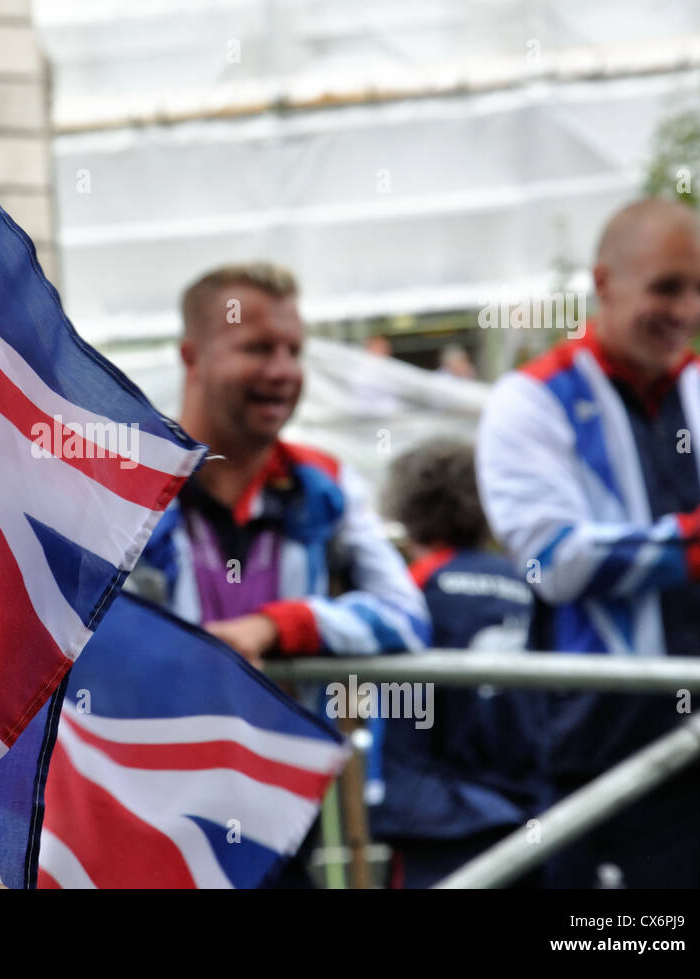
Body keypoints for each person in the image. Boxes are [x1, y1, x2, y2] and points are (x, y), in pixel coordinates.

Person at [129, 263, 429, 886]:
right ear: (192, 356)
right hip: (144, 801)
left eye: (294, 350)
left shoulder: (325, 484)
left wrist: (276, 626)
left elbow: (406, 617)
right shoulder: (129, 483)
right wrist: (204, 661)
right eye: (257, 348)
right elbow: (89, 640)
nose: (283, 370)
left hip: (281, 808)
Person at [476, 198, 700, 888]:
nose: (687, 309)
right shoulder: (531, 400)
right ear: (605, 282)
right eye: (667, 286)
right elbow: (550, 561)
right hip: (609, 751)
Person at [369, 438, 540, 887]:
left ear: (406, 506)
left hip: (441, 823)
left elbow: (400, 720)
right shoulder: (527, 585)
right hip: (531, 815)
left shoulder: (409, 595)